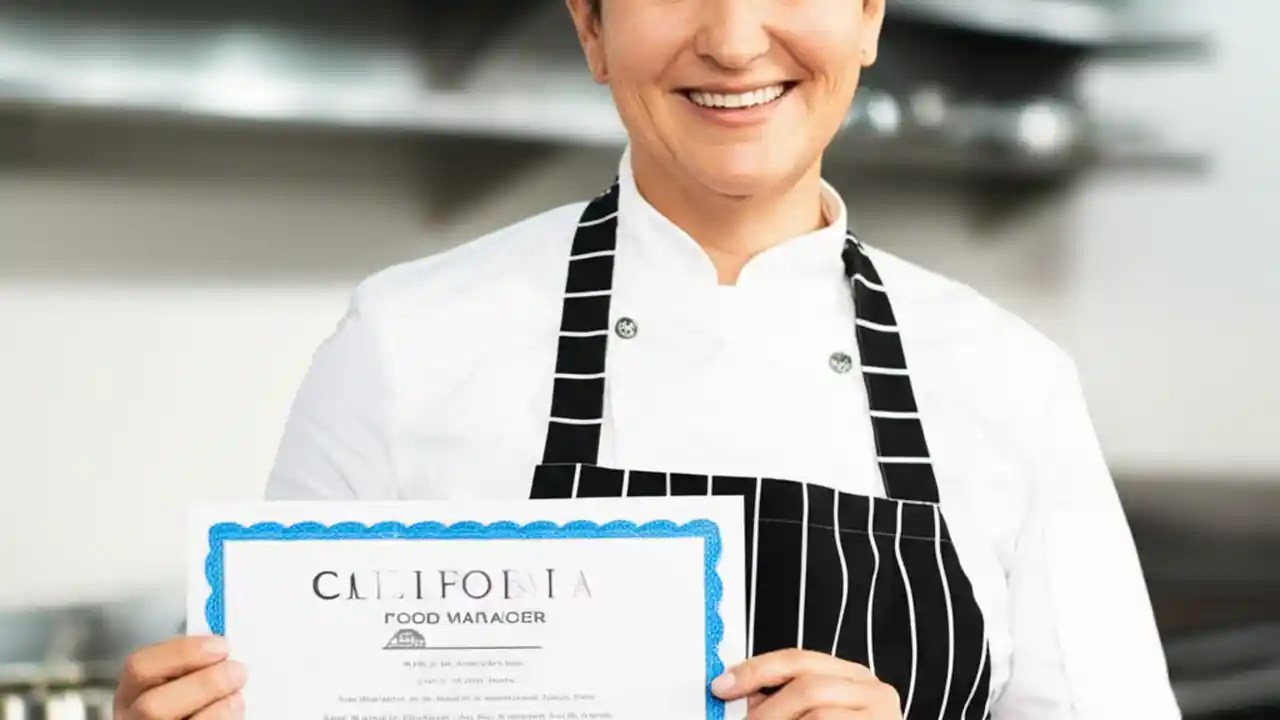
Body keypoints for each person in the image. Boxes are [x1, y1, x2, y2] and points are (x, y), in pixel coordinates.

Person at [112, 1, 1180, 718]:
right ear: (589, 23)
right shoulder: (406, 341)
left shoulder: (1006, 376)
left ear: (866, 14)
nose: (730, 40)